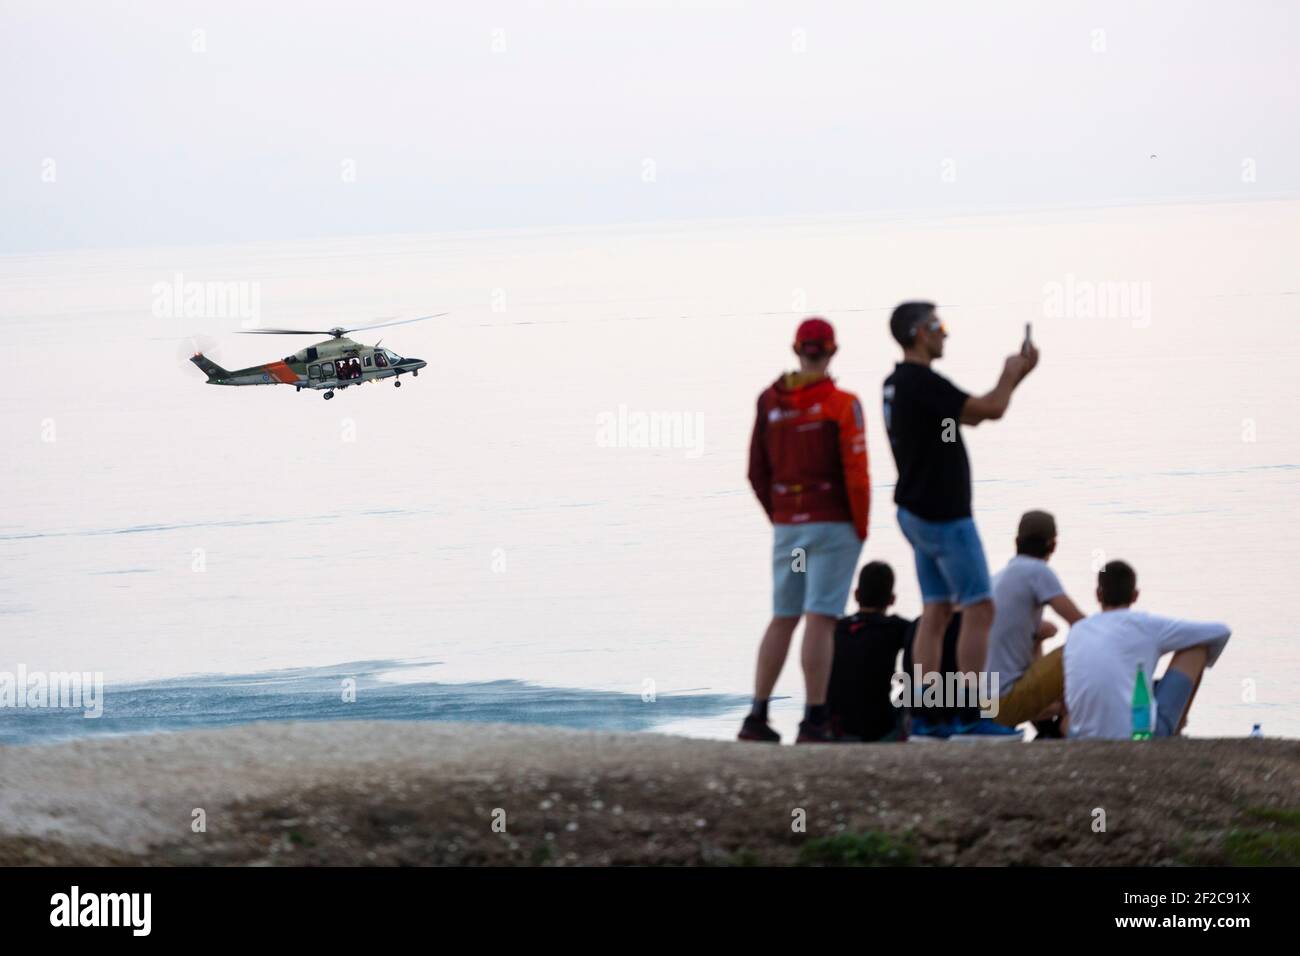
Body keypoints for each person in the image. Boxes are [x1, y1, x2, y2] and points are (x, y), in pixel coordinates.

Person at [882, 301, 1037, 738]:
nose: (946, 333)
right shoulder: (921, 382)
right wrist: (1010, 373)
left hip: (913, 511)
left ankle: (928, 715)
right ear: (918, 332)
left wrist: (1017, 377)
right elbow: (991, 408)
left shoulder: (897, 384)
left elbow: (975, 415)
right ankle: (972, 714)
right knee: (980, 607)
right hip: (944, 514)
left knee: (936, 611)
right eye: (939, 325)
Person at [741, 317, 870, 744]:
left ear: (796, 350)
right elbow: (856, 473)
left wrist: (778, 515)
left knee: (784, 616)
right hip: (833, 524)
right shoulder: (841, 404)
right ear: (832, 351)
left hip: (788, 527)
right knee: (821, 618)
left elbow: (756, 471)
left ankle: (757, 715)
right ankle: (814, 718)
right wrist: (861, 525)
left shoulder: (768, 402)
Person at [1064, 560, 1231, 740]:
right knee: (1197, 648)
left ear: (1098, 594)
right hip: (1139, 734)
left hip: (1079, 736)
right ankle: (1176, 729)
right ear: (1135, 595)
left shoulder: (1078, 630)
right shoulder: (1146, 625)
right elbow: (1221, 632)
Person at [986, 510, 1086, 734]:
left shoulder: (997, 579)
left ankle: (1054, 723)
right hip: (1006, 702)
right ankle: (1071, 725)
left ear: (1016, 542)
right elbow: (1083, 625)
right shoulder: (1038, 571)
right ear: (1053, 546)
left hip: (982, 704)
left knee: (1038, 641)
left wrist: (1036, 633)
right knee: (1077, 650)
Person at [827, 562, 911, 742]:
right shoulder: (897, 628)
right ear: (892, 599)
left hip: (837, 727)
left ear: (856, 595)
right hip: (879, 728)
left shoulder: (835, 628)